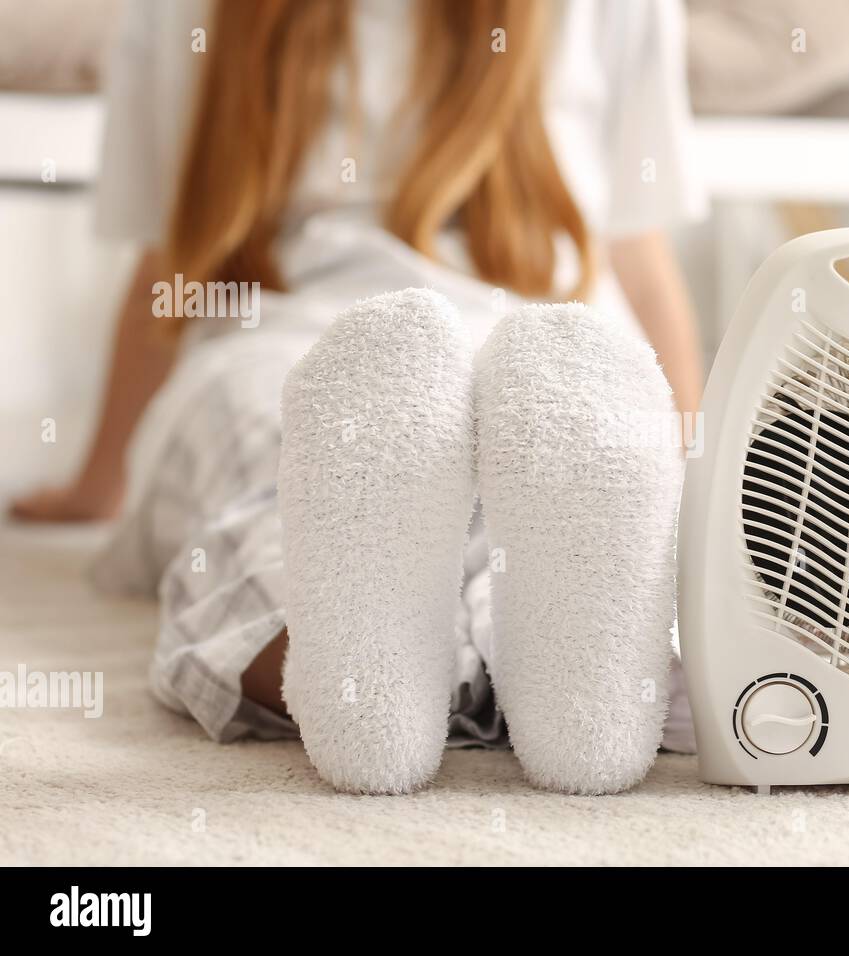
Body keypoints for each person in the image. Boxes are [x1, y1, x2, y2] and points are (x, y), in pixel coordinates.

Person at [10, 0, 705, 792]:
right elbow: (639, 256)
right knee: (595, 548)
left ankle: (387, 692)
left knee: (276, 514)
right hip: (501, 333)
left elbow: (165, 264)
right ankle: (572, 684)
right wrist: (691, 473)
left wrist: (96, 488)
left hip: (321, 335)